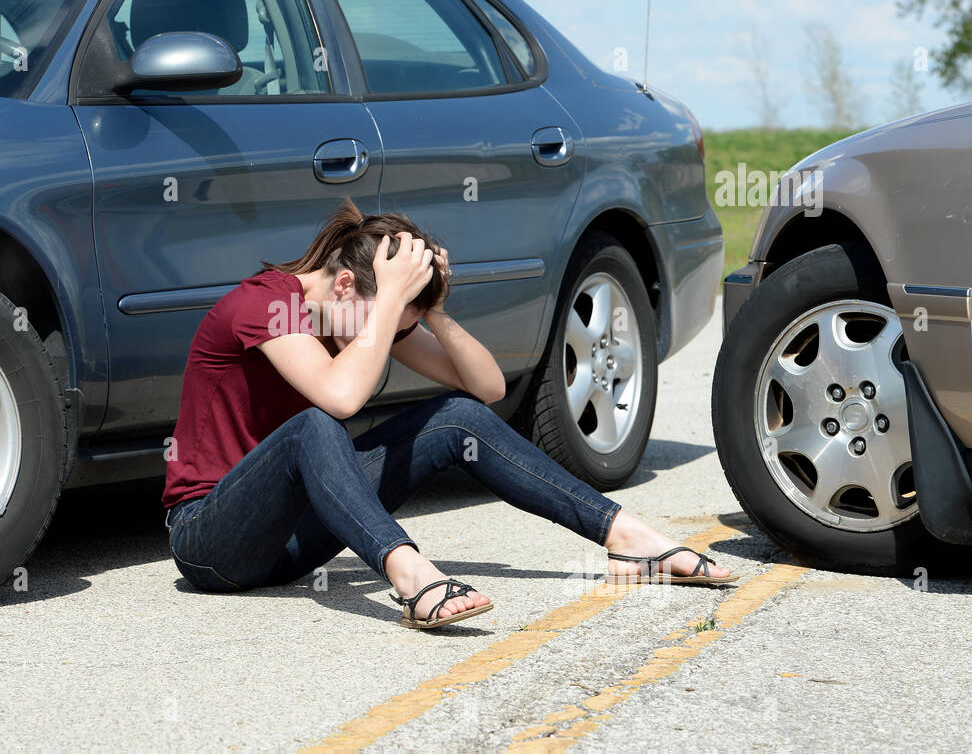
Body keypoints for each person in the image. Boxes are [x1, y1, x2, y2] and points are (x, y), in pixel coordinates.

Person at [161, 200, 734, 630]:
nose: (385, 334)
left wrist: (429, 313)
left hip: (292, 540)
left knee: (454, 417)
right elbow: (338, 399)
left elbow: (484, 388)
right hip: (213, 543)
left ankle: (626, 536)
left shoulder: (358, 313)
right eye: (383, 313)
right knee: (315, 426)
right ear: (342, 284)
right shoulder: (265, 304)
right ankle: (409, 575)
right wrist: (386, 307)